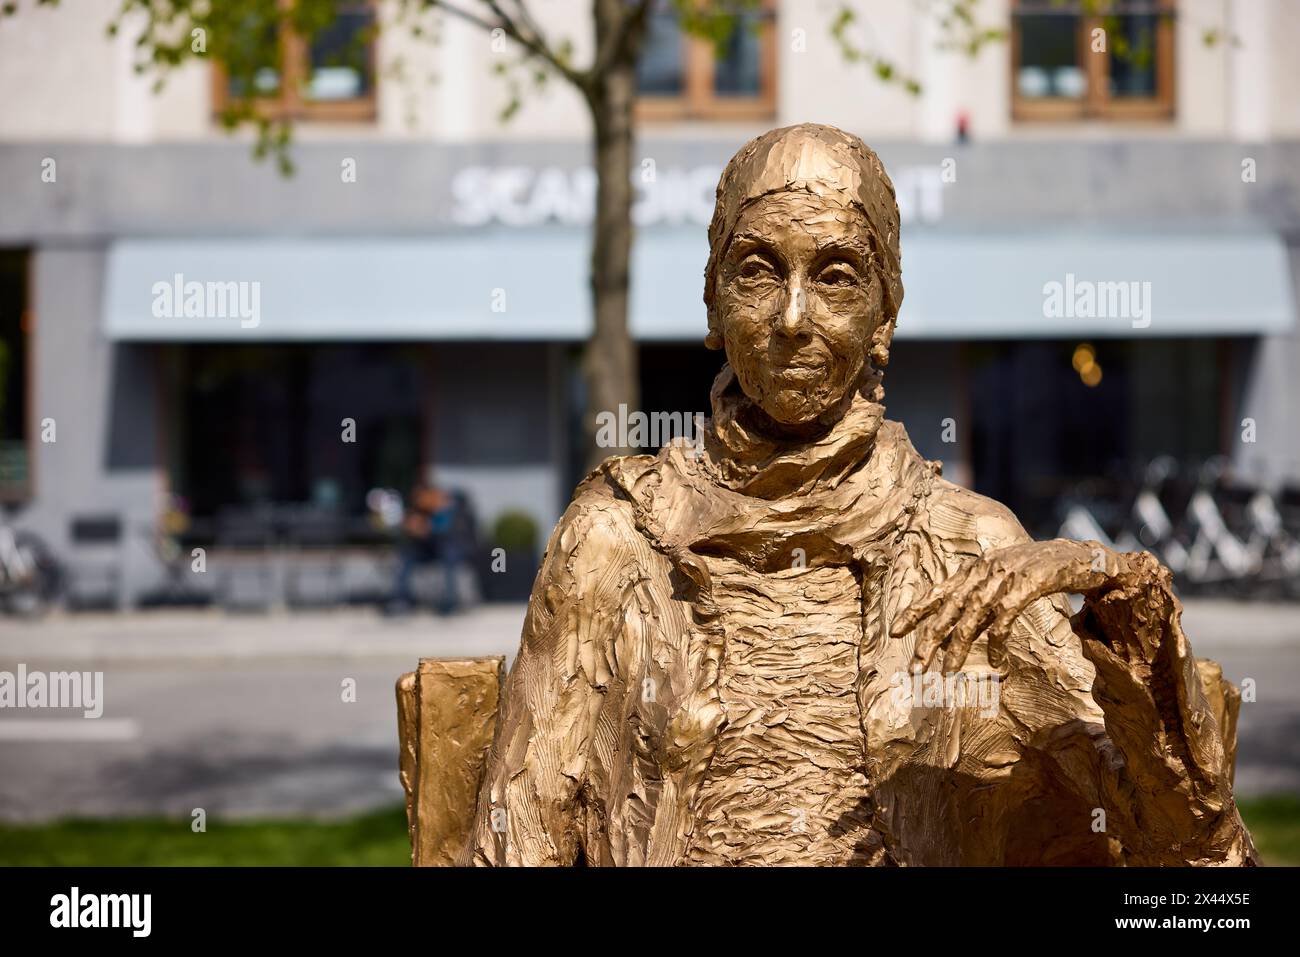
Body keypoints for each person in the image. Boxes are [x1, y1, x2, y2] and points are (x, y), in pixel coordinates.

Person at [459, 124, 1256, 866]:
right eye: (757, 272)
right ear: (712, 302)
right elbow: (516, 839)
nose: (793, 318)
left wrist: (1128, 611)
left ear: (885, 315)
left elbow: (1196, 869)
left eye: (836, 276)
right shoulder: (613, 539)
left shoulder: (969, 551)